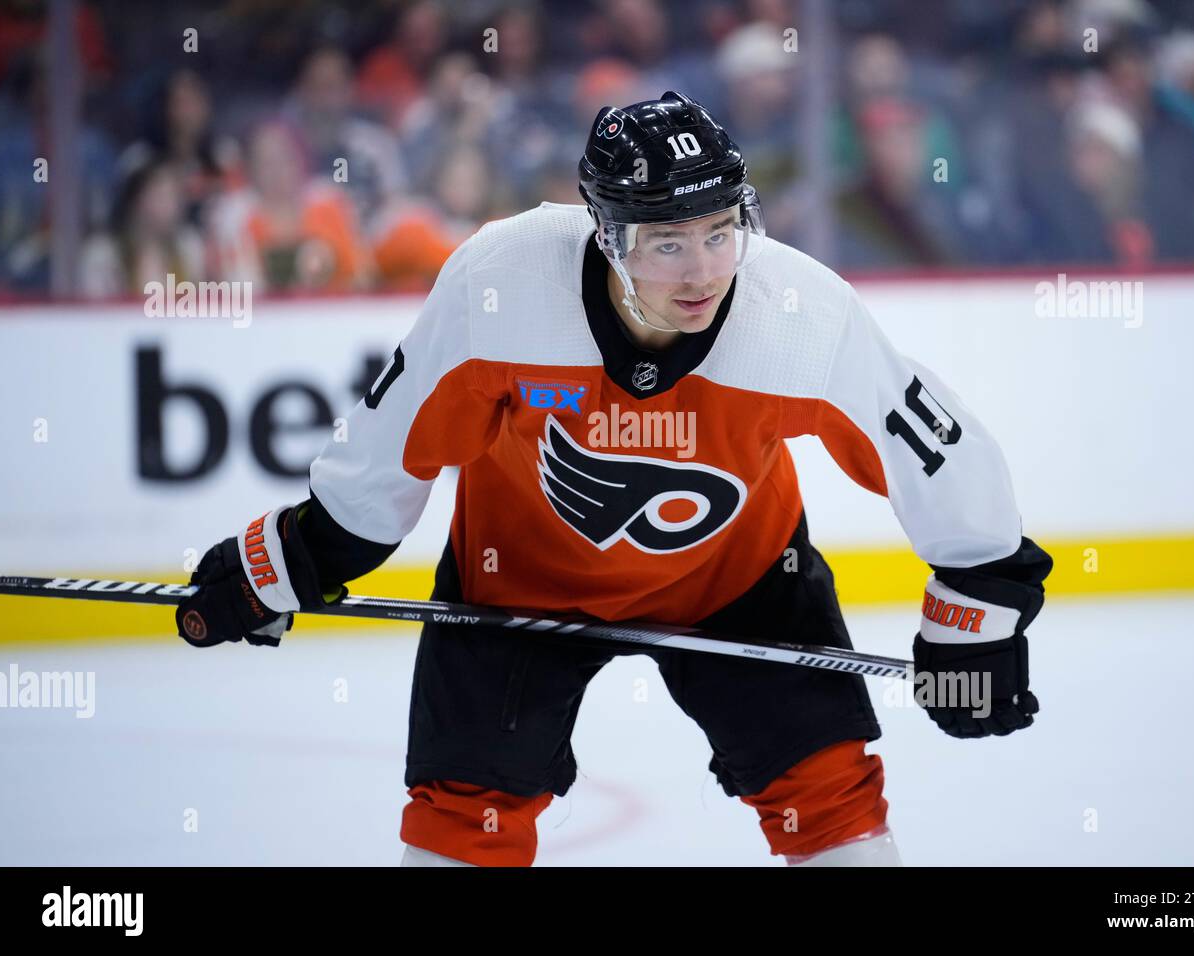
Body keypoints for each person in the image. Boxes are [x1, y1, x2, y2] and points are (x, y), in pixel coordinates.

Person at [174, 92, 1052, 867]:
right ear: (604, 232)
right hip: (515, 589)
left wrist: (980, 605)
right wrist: (292, 557)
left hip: (739, 583)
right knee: (463, 819)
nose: (704, 271)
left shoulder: (799, 316)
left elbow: (928, 447)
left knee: (828, 798)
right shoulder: (500, 285)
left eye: (720, 232)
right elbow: (395, 444)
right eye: (667, 243)